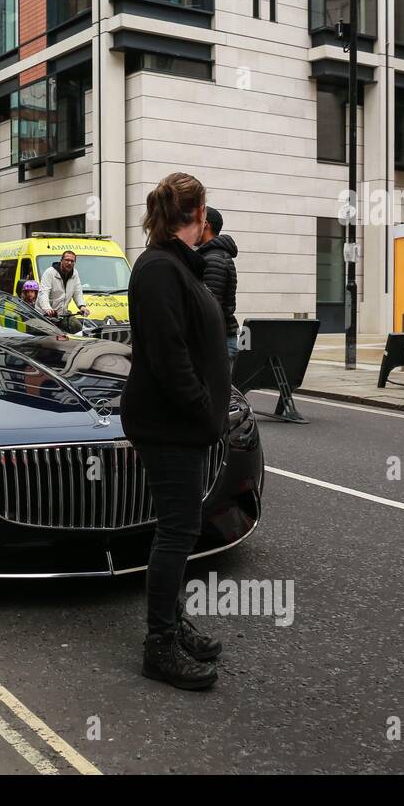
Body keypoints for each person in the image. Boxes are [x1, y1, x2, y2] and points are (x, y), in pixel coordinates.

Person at [121, 172, 229, 692]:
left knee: (179, 529)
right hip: (169, 424)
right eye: (205, 209)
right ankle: (159, 645)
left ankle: (171, 623)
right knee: (177, 531)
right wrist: (204, 407)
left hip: (179, 423)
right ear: (198, 213)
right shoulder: (159, 268)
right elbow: (169, 357)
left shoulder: (174, 265)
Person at [198, 207, 240, 370]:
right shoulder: (214, 256)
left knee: (219, 394)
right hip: (221, 339)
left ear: (206, 224)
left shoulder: (213, 259)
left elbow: (210, 307)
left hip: (218, 342)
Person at [37, 250, 87, 321]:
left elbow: (77, 292)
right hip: (44, 315)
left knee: (77, 327)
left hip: (61, 315)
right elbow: (43, 293)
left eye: (72, 261)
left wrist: (82, 306)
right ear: (61, 261)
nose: (69, 263)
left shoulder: (75, 274)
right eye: (67, 260)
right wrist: (47, 308)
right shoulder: (49, 272)